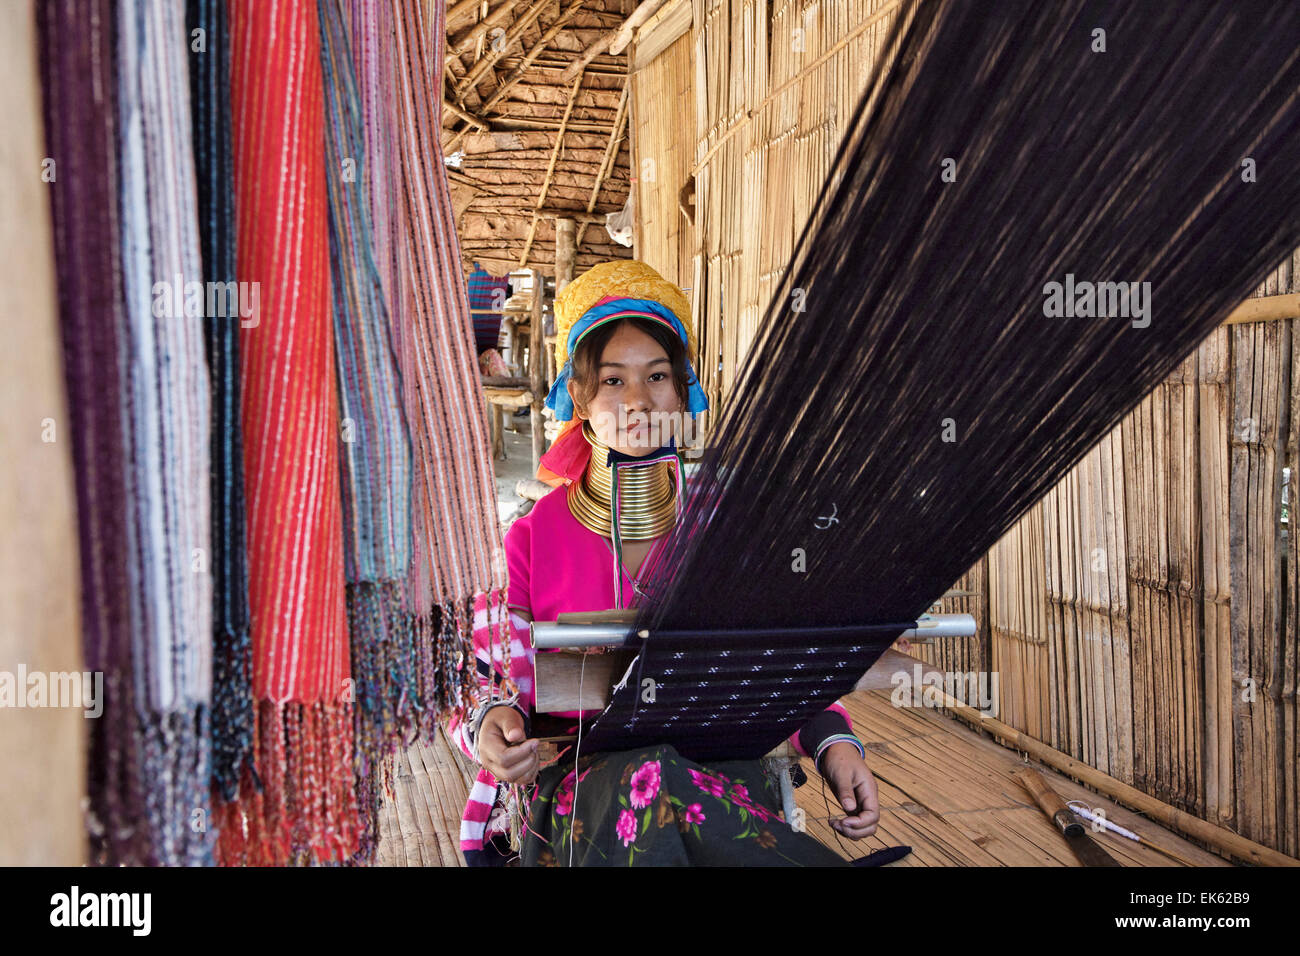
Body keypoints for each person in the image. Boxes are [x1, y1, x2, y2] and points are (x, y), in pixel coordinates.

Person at [448, 260, 879, 866]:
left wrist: (834, 741)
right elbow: (477, 679)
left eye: (656, 377)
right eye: (613, 381)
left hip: (720, 772)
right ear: (577, 395)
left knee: (671, 778)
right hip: (583, 788)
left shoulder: (725, 528)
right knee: (648, 778)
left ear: (681, 391)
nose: (638, 401)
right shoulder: (528, 540)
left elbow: (783, 655)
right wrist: (490, 723)